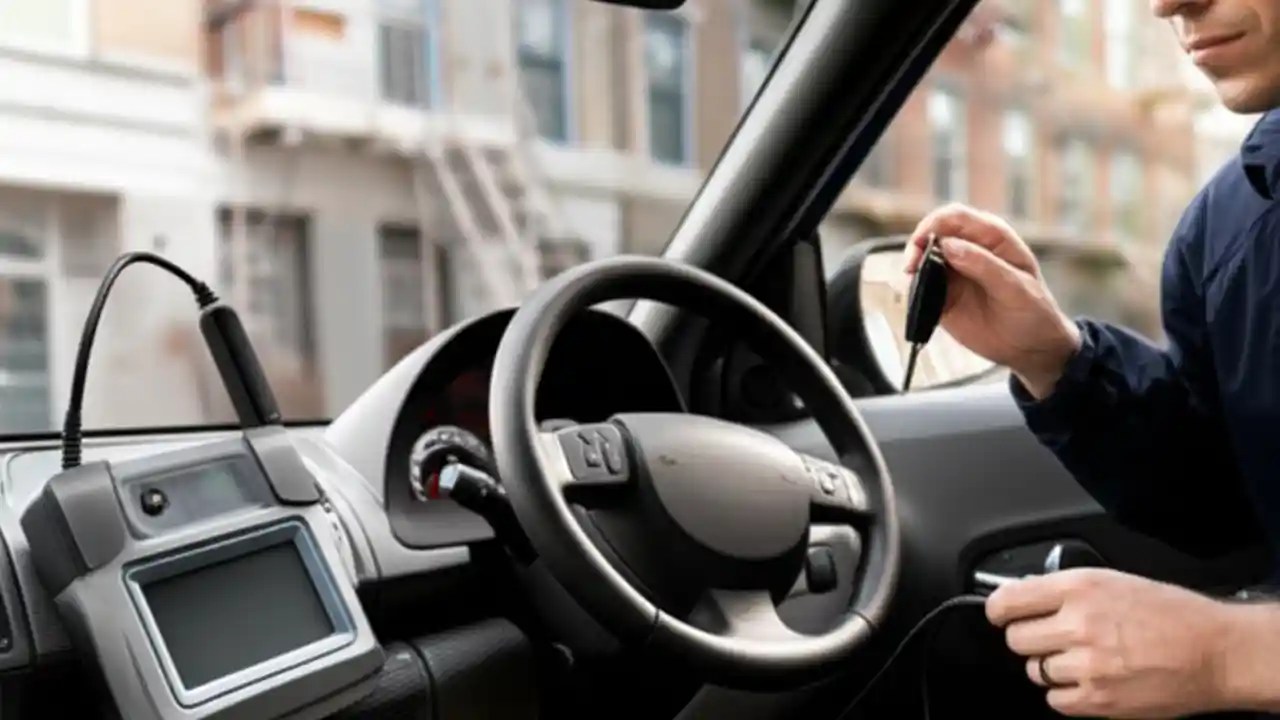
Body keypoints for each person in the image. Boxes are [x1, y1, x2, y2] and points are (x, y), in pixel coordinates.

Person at [903, 0, 1280, 716]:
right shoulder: (1227, 224)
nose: (1169, 4)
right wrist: (1057, 361)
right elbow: (1225, 499)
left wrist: (1232, 655)